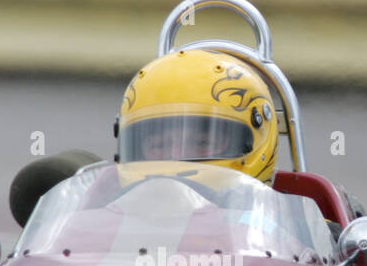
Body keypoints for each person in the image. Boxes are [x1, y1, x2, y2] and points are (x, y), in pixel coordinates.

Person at [115, 49, 280, 184]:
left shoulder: (271, 223)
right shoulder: (103, 217)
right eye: (160, 146)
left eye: (203, 143)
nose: (177, 161)